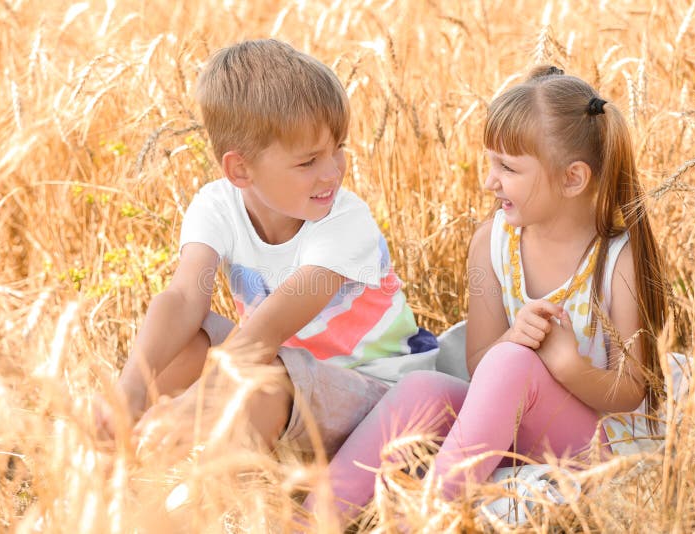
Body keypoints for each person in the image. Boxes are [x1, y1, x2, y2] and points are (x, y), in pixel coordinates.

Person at [308, 65, 668, 524]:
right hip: (515, 433)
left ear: (573, 178)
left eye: (508, 168)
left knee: (512, 362)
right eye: (490, 162)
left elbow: (632, 390)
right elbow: (481, 364)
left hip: (596, 449)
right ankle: (310, 522)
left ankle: (421, 522)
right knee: (424, 387)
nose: (489, 181)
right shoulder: (492, 243)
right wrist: (514, 336)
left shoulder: (618, 259)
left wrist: (565, 365)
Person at [95, 39, 438, 459]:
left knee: (261, 380)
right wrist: (129, 387)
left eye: (338, 149)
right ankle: (119, 470)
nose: (333, 172)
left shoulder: (347, 223)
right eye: (308, 161)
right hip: (283, 375)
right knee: (189, 339)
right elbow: (184, 297)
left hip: (377, 398)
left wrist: (194, 404)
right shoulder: (216, 204)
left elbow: (265, 332)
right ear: (240, 169)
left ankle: (224, 504)